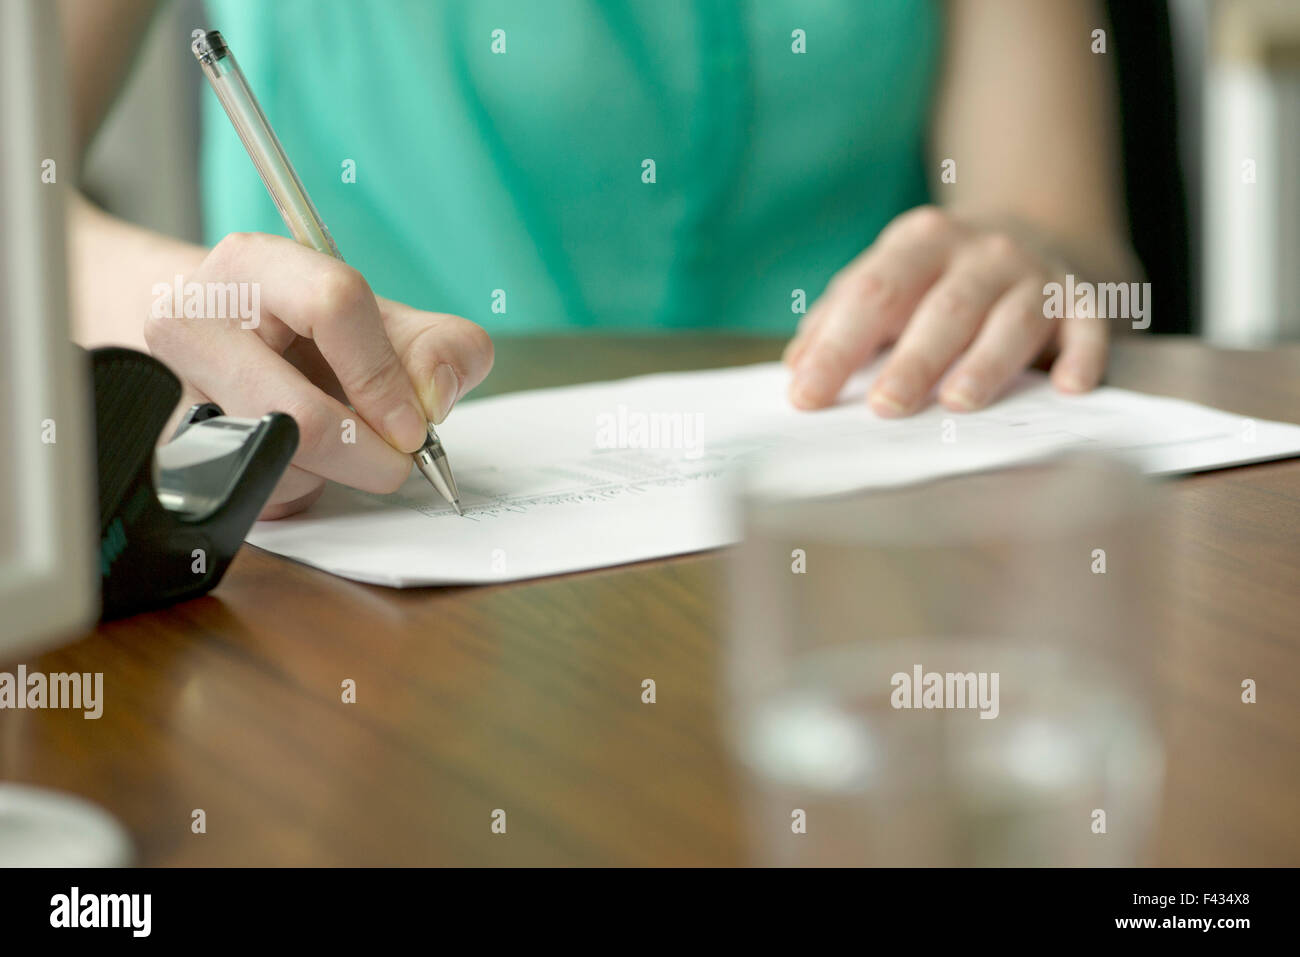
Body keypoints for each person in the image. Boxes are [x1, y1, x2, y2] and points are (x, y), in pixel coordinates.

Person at [63, 0, 1137, 517]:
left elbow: (1066, 236)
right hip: (335, 568)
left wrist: (1032, 264)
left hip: (880, 558)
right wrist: (178, 316)